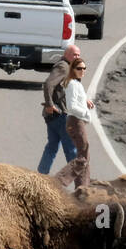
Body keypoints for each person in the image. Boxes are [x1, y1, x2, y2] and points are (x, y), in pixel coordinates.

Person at [38, 44, 80, 174]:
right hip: (60, 116)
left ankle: (41, 174)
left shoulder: (69, 67)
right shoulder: (63, 67)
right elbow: (48, 84)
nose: (77, 57)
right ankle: (77, 178)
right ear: (66, 54)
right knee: (71, 148)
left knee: (52, 146)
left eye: (78, 55)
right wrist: (50, 104)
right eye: (74, 54)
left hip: (55, 116)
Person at [54, 57, 94, 189]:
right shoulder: (71, 84)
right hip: (75, 121)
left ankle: (83, 188)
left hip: (78, 121)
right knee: (83, 157)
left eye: (84, 68)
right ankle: (59, 181)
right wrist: (86, 114)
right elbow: (71, 107)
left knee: (85, 156)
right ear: (73, 70)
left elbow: (78, 100)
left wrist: (85, 101)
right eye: (79, 68)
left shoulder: (76, 84)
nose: (82, 71)